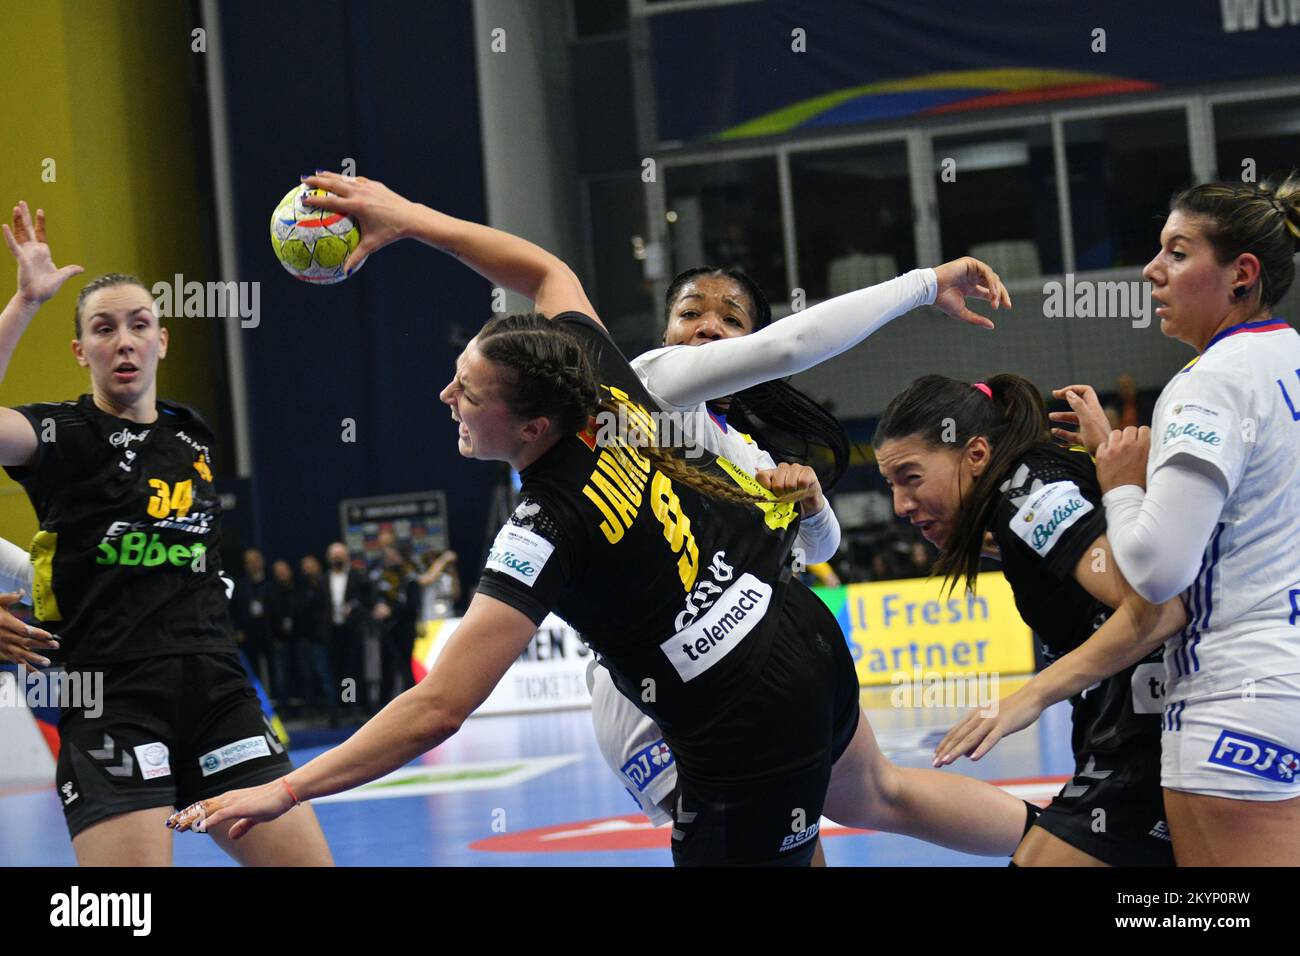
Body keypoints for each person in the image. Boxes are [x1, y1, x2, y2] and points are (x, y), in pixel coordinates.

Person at [169, 173, 1035, 866]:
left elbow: (437, 711)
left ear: (534, 425)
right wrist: (406, 218)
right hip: (797, 633)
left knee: (818, 813)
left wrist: (286, 789)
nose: (447, 397)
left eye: (465, 390)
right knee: (875, 795)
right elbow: (543, 273)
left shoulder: (545, 527)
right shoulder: (615, 387)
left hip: (739, 716)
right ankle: (1071, 848)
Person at [0, 202, 331, 865]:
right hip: (113, 700)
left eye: (139, 324)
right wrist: (26, 303)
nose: (123, 340)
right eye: (103, 328)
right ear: (80, 350)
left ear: (162, 340)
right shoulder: (57, 435)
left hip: (218, 696)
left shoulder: (192, 433)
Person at [1048, 176, 1300, 866]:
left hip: (1234, 704)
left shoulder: (1208, 382)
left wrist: (1119, 485)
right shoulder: (1290, 360)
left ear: (1241, 275)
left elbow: (1158, 572)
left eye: (1178, 253)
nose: (1152, 271)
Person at [874, 373, 1189, 866]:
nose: (901, 505)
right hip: (1127, 735)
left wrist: (1029, 697)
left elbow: (1156, 607)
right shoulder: (1016, 499)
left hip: (1147, 744)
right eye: (891, 485)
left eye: (911, 478)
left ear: (976, 455)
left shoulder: (1029, 493)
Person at [325, 541, 371, 715]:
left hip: (352, 631)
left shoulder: (357, 577)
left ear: (346, 556)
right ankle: (340, 707)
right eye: (333, 554)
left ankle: (353, 704)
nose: (336, 557)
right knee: (336, 671)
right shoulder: (324, 579)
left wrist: (355, 608)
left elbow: (367, 601)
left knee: (352, 670)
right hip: (332, 632)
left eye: (340, 554)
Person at [297, 554, 338, 725]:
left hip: (328, 639)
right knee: (309, 677)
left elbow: (328, 611)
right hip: (309, 640)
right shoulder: (302, 588)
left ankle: (337, 711)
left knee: (329, 676)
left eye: (310, 565)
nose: (307, 569)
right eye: (304, 566)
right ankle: (314, 713)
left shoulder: (326, 584)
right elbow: (301, 613)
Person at [230, 548, 273, 693]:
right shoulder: (240, 585)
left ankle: (279, 702)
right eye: (249, 562)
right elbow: (234, 610)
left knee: (275, 668)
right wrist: (238, 630)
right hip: (249, 634)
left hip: (270, 633)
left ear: (262, 562)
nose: (253, 564)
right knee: (251, 670)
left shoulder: (271, 582)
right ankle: (257, 700)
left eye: (256, 560)